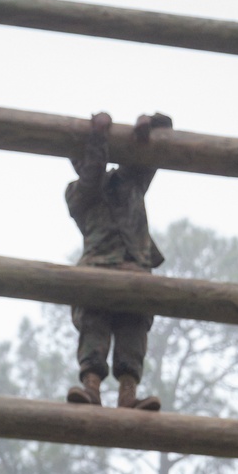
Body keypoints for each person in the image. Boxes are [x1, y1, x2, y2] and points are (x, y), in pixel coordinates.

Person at [65, 109, 172, 410]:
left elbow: (160, 138)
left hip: (135, 270)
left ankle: (128, 395)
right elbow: (93, 175)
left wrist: (146, 129)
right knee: (94, 329)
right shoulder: (77, 193)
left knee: (132, 333)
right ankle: (91, 388)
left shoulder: (130, 182)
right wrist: (98, 137)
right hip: (97, 270)